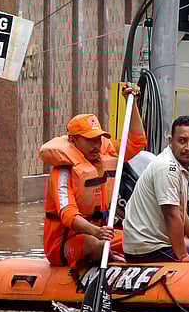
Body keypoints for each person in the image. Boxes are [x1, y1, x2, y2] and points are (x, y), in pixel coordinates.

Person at [41, 84, 147, 268]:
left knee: (141, 237)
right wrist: (96, 232)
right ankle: (109, 258)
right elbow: (68, 215)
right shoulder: (62, 172)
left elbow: (137, 141)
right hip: (62, 246)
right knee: (94, 245)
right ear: (73, 140)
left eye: (98, 138)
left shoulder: (106, 153)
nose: (96, 145)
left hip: (100, 233)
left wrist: (133, 103)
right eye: (89, 140)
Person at [122, 116, 189, 263]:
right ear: (171, 142)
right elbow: (171, 215)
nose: (188, 147)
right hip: (147, 248)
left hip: (159, 242)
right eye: (182, 141)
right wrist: (183, 256)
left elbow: (180, 212)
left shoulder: (183, 167)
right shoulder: (167, 168)